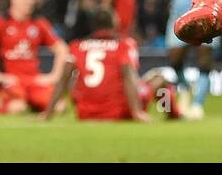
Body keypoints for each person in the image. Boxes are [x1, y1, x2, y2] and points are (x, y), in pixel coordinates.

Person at [43, 6, 180, 122]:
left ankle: (169, 112)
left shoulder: (76, 46)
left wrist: (47, 113)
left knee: (76, 82)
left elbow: (63, 79)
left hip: (86, 113)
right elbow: (128, 75)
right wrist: (137, 112)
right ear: (114, 23)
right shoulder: (124, 45)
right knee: (160, 80)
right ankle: (172, 113)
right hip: (118, 110)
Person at [0, 0, 69, 115]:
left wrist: (55, 75)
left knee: (60, 107)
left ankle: (34, 104)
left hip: (34, 80)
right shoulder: (0, 22)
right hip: (12, 80)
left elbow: (62, 48)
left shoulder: (39, 23)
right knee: (18, 108)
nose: (30, 1)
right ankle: (0, 106)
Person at [152, 0, 216, 118]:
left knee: (204, 56)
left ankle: (197, 105)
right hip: (180, 8)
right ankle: (186, 87)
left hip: (207, 7)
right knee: (175, 57)